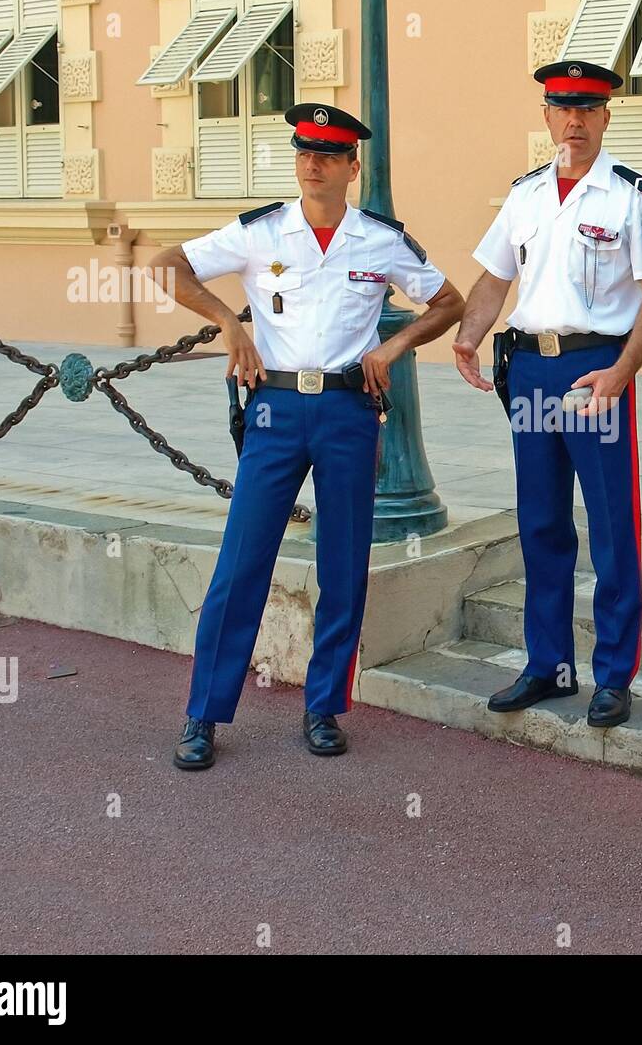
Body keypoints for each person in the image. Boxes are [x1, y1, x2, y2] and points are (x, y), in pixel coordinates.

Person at [150, 102, 464, 769]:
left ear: (353, 166)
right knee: (242, 561)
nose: (312, 163)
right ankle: (203, 712)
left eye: (327, 153)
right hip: (276, 410)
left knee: (344, 563)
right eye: (303, 151)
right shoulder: (261, 232)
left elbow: (449, 302)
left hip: (350, 410)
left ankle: (324, 706)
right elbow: (167, 263)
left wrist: (395, 344)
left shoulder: (379, 239)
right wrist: (227, 324)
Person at [452, 60, 642, 728]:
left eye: (588, 109)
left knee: (611, 525)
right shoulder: (524, 195)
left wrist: (623, 371)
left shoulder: (635, 196)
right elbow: (495, 279)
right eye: (562, 109)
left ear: (606, 116)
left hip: (594, 372)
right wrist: (469, 336)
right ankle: (548, 666)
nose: (574, 122)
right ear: (547, 116)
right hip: (529, 371)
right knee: (541, 522)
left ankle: (613, 674)